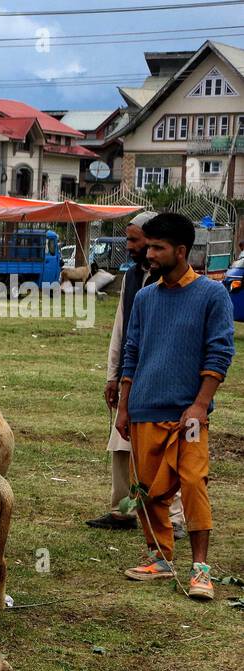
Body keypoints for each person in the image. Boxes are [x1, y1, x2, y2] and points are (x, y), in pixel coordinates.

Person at [116, 212, 234, 601]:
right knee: (148, 490)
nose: (149, 254)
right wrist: (124, 407)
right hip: (145, 410)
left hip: (190, 415)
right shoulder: (146, 298)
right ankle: (160, 558)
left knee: (194, 483)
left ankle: (201, 570)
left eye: (157, 248)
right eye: (147, 246)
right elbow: (132, 352)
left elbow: (220, 353)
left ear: (180, 251)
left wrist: (200, 405)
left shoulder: (212, 294)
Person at [87, 211, 185, 534]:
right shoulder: (130, 278)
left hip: (163, 376)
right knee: (120, 441)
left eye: (134, 240)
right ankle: (121, 511)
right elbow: (121, 330)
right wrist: (112, 376)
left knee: (167, 446)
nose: (129, 246)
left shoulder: (172, 280)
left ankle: (174, 518)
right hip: (131, 374)